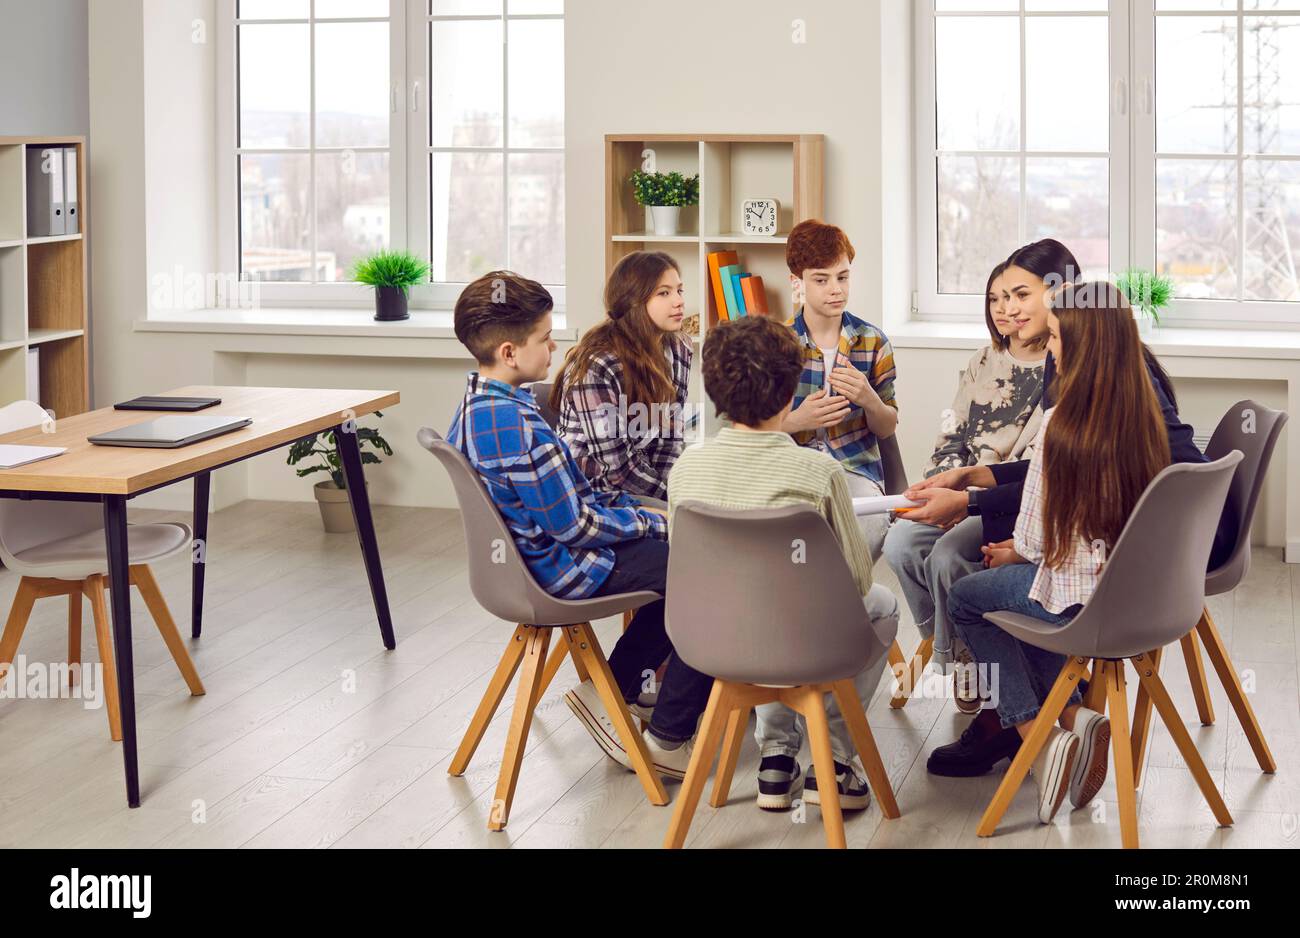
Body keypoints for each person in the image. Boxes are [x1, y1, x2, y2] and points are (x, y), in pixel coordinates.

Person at [447, 270, 712, 779]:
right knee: (706, 573)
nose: (554, 349)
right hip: (563, 567)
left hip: (542, 557)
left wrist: (647, 516)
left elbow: (579, 503)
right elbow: (578, 527)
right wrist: (656, 525)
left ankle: (615, 692)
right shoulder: (513, 425)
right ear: (509, 353)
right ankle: (667, 733)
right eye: (544, 339)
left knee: (683, 564)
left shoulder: (483, 406)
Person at [926, 282, 1170, 825]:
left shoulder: (1063, 423)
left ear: (1082, 346)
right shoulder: (1143, 415)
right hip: (1139, 591)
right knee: (1021, 599)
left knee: (971, 598)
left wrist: (1017, 552)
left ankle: (1034, 737)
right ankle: (1074, 716)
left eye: (1057, 336)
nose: (1051, 347)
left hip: (1082, 597)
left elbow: (1036, 543)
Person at [667, 316, 900, 811]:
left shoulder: (686, 469)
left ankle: (775, 756)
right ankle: (833, 761)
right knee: (878, 605)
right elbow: (857, 579)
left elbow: (681, 565)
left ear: (713, 388)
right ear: (791, 389)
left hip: (709, 639)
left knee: (763, 608)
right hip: (799, 641)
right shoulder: (819, 471)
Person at [887, 242, 1073, 707]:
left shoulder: (1061, 367)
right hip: (965, 489)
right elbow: (951, 433)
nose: (1007, 309)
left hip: (1006, 502)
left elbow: (1036, 473)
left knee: (948, 557)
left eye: (1018, 295)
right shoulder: (981, 361)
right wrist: (942, 484)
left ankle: (966, 661)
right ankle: (959, 652)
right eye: (996, 299)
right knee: (901, 544)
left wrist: (966, 502)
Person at [780, 219, 899, 560]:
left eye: (843, 277)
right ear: (797, 283)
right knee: (789, 543)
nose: (836, 289)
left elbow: (887, 427)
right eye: (821, 279)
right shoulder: (776, 343)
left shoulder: (874, 341)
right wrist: (795, 421)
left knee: (869, 525)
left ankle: (840, 607)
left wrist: (870, 400)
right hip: (794, 470)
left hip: (854, 469)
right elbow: (750, 430)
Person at [551, 251, 693, 501]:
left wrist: (672, 493)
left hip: (642, 480)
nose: (679, 301)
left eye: (679, 290)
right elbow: (617, 470)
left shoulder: (680, 347)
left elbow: (669, 438)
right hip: (590, 491)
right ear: (634, 302)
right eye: (664, 293)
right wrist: (673, 500)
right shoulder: (598, 365)